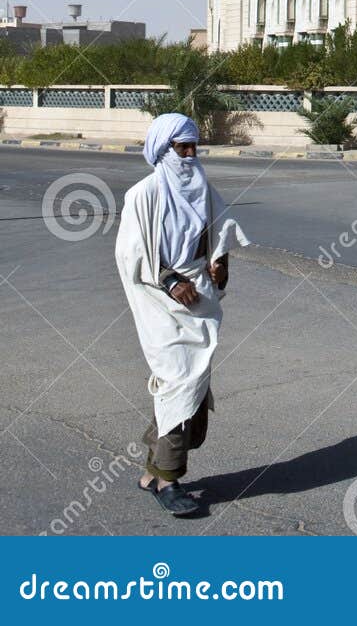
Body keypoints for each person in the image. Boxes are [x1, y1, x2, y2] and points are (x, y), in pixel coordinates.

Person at [115, 113, 248, 516]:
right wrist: (171, 281)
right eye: (181, 147)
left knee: (191, 382)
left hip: (199, 298)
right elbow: (130, 255)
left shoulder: (201, 186)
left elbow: (219, 228)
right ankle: (169, 480)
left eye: (193, 147)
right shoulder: (144, 194)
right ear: (162, 149)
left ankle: (152, 471)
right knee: (178, 381)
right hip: (161, 299)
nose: (189, 155)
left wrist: (219, 260)